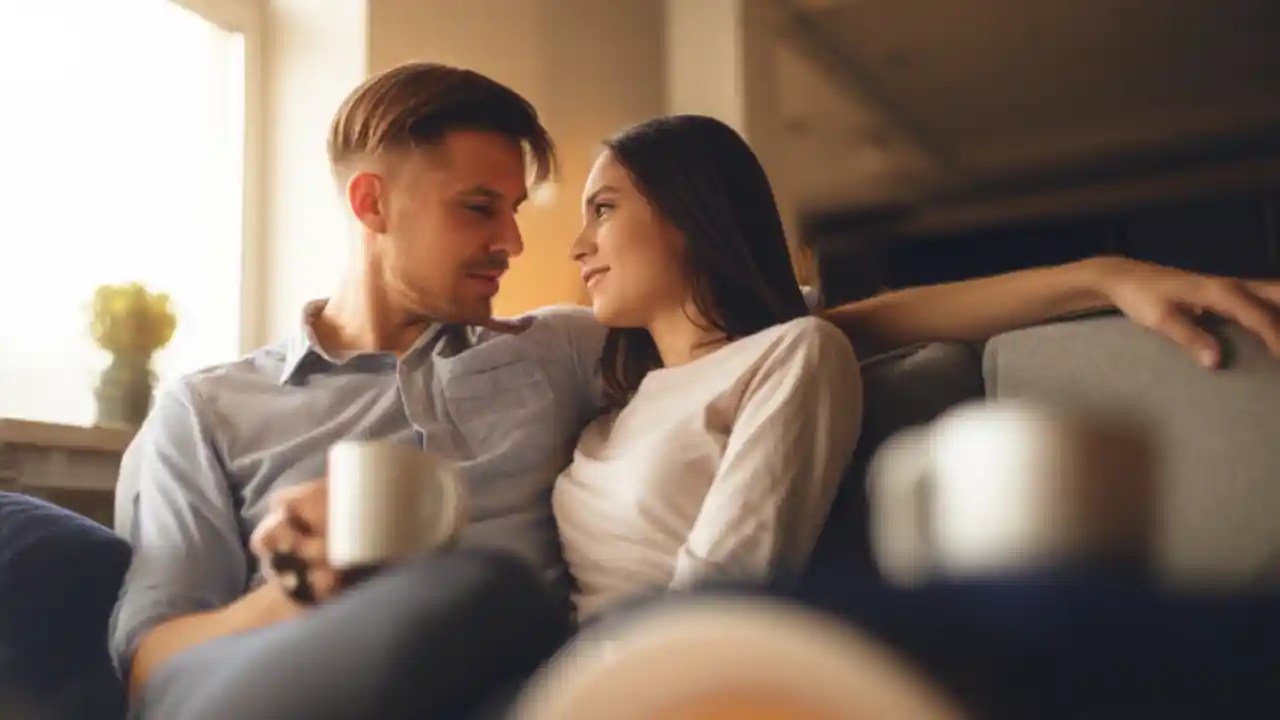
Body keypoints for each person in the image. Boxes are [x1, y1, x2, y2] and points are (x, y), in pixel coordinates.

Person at [111, 62, 1280, 718]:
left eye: (521, 209)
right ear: (371, 206)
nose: (515, 242)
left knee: (483, 600)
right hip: (314, 679)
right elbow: (157, 670)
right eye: (479, 209)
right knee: (464, 595)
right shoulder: (207, 411)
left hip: (538, 682)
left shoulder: (553, 351)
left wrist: (1100, 276)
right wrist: (299, 590)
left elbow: (800, 331)